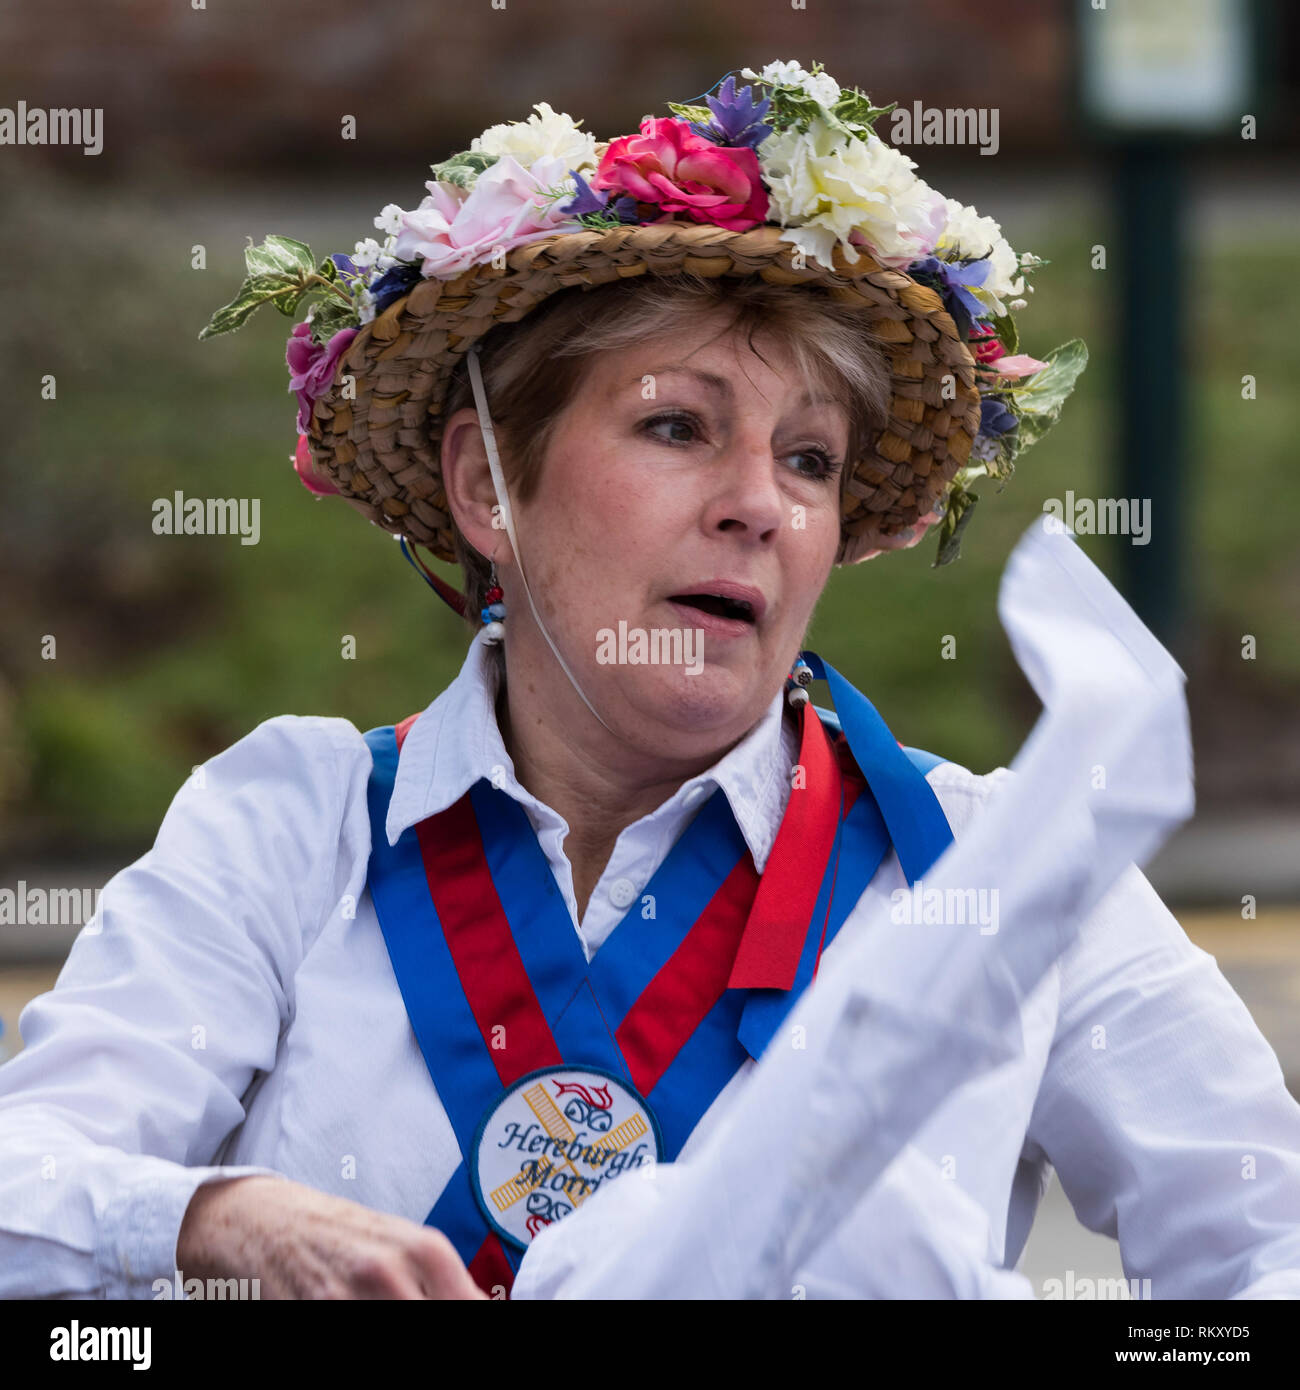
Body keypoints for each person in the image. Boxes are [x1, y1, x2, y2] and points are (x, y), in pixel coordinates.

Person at [1, 60, 1297, 1300]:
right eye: (677, 425)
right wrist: (222, 1216)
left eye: (808, 459)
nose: (757, 506)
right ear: (483, 485)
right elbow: (26, 1184)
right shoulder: (288, 829)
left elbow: (1269, 1243)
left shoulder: (994, 867)